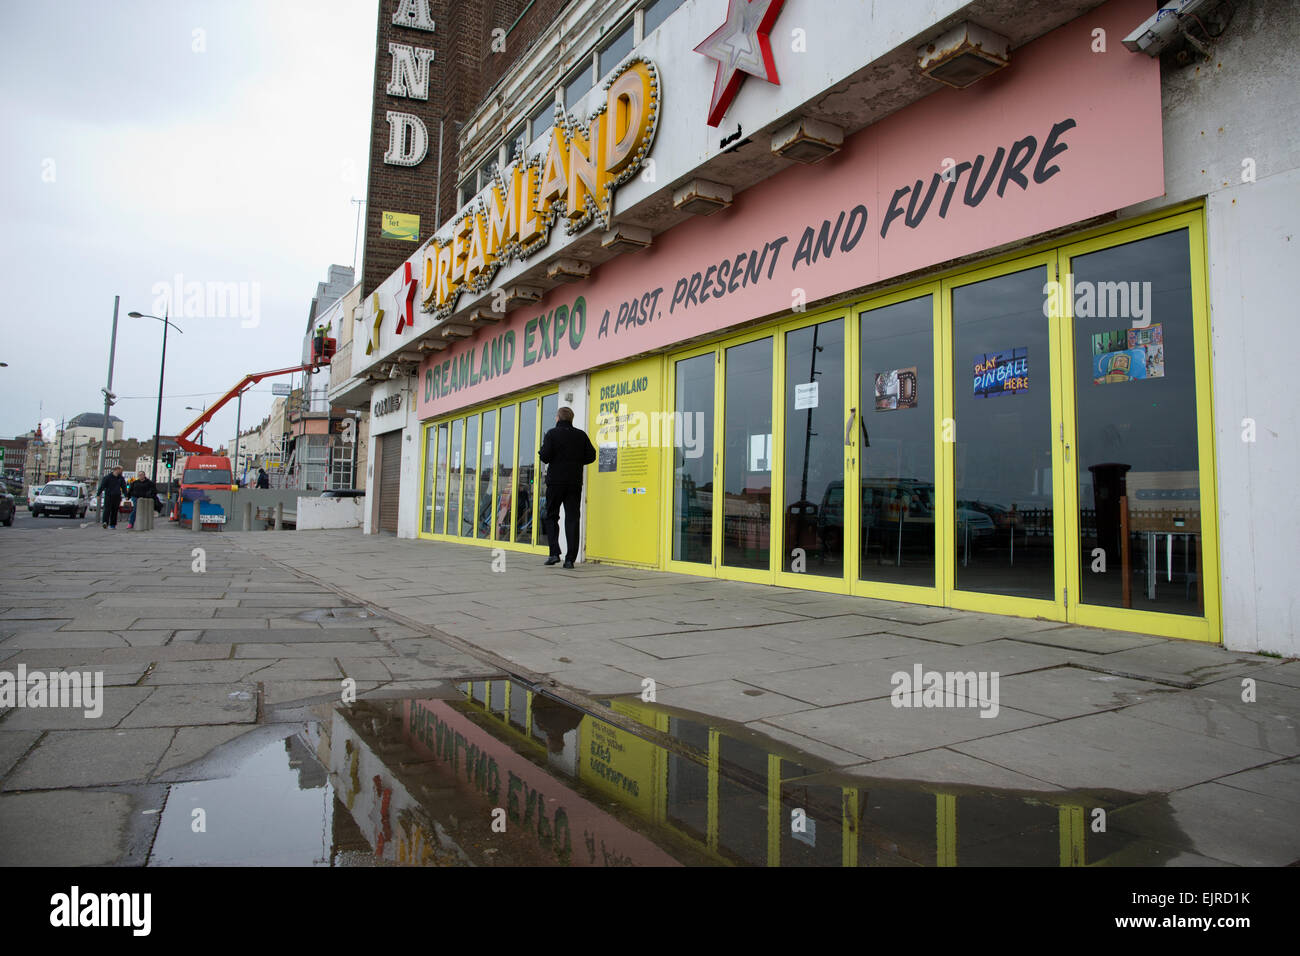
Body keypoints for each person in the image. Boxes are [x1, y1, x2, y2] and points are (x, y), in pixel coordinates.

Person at [538, 406, 596, 568]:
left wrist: (542, 451)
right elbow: (591, 456)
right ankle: (570, 559)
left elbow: (545, 456)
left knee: (551, 516)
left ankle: (554, 553)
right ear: (571, 419)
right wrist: (576, 462)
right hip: (574, 482)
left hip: (555, 482)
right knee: (572, 518)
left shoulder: (551, 434)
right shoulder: (580, 435)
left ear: (558, 418)